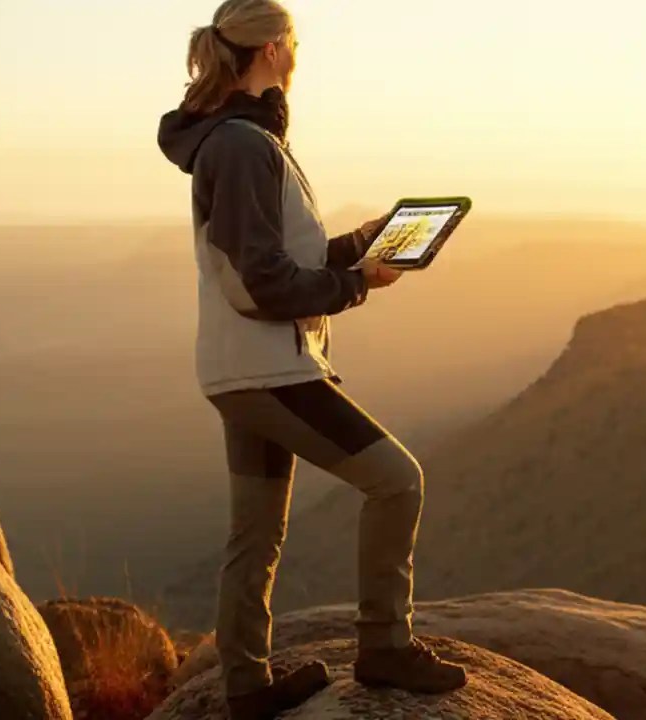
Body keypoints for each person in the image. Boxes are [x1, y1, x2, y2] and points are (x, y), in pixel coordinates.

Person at [155, 1, 467, 718]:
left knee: (255, 533)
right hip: (272, 369)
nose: (297, 52)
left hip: (245, 369)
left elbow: (272, 259)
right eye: (294, 40)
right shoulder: (240, 146)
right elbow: (261, 283)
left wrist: (356, 244)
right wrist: (357, 285)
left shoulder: (239, 141)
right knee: (397, 481)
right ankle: (385, 646)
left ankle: (246, 686)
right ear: (271, 50)